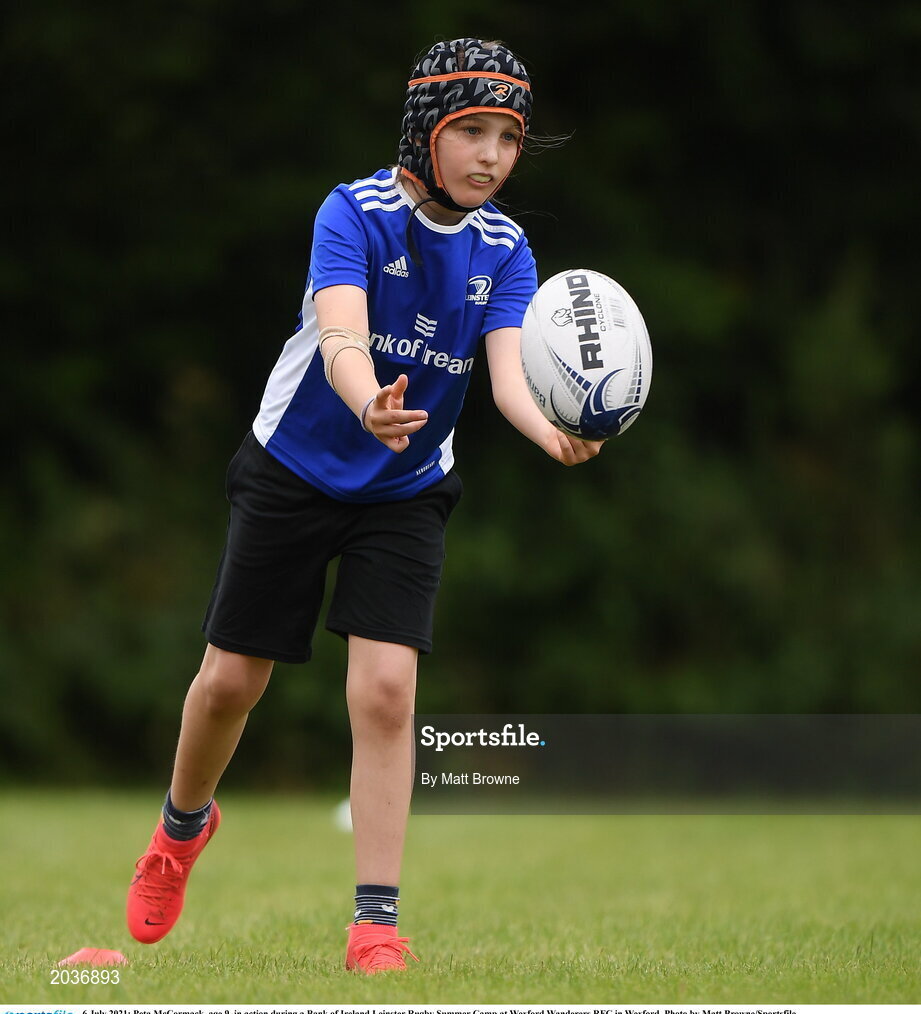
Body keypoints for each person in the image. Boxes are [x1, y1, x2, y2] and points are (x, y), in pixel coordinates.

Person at [126, 36, 602, 974]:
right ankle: (180, 832)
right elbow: (340, 332)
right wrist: (367, 399)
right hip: (294, 469)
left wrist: (549, 429)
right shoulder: (355, 212)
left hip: (406, 489)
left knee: (386, 691)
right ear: (427, 127)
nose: (492, 156)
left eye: (509, 136)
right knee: (232, 684)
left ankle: (375, 924)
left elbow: (507, 373)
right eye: (472, 130)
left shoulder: (506, 246)